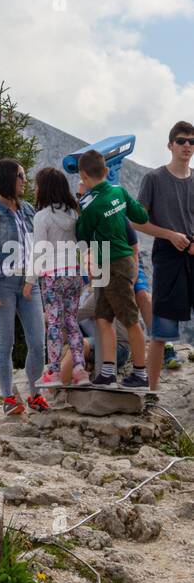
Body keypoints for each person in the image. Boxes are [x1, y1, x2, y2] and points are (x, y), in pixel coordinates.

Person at [0, 158, 47, 416]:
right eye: (20, 176)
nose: (25, 181)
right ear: (7, 178)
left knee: (38, 343)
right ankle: (8, 398)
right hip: (2, 285)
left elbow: (39, 245)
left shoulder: (28, 209)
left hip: (30, 283)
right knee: (5, 343)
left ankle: (35, 393)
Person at [74, 149, 149, 388]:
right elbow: (140, 214)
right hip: (119, 260)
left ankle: (140, 372)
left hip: (112, 262)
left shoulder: (91, 205)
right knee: (103, 317)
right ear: (106, 171)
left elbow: (81, 233)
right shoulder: (119, 191)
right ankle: (107, 371)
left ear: (83, 176)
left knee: (129, 319)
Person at [134, 120, 194, 394]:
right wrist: (170, 235)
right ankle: (152, 392)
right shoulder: (154, 179)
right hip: (168, 258)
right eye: (181, 141)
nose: (187, 146)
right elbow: (136, 221)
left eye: (192, 142)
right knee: (161, 331)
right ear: (170, 145)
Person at [32, 167, 88, 388]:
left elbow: (39, 251)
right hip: (73, 274)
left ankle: (53, 372)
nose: (34, 189)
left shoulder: (42, 217)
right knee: (72, 322)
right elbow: (82, 244)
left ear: (44, 189)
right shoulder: (73, 214)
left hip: (52, 277)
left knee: (54, 324)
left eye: (36, 185)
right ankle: (79, 369)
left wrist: (29, 281)